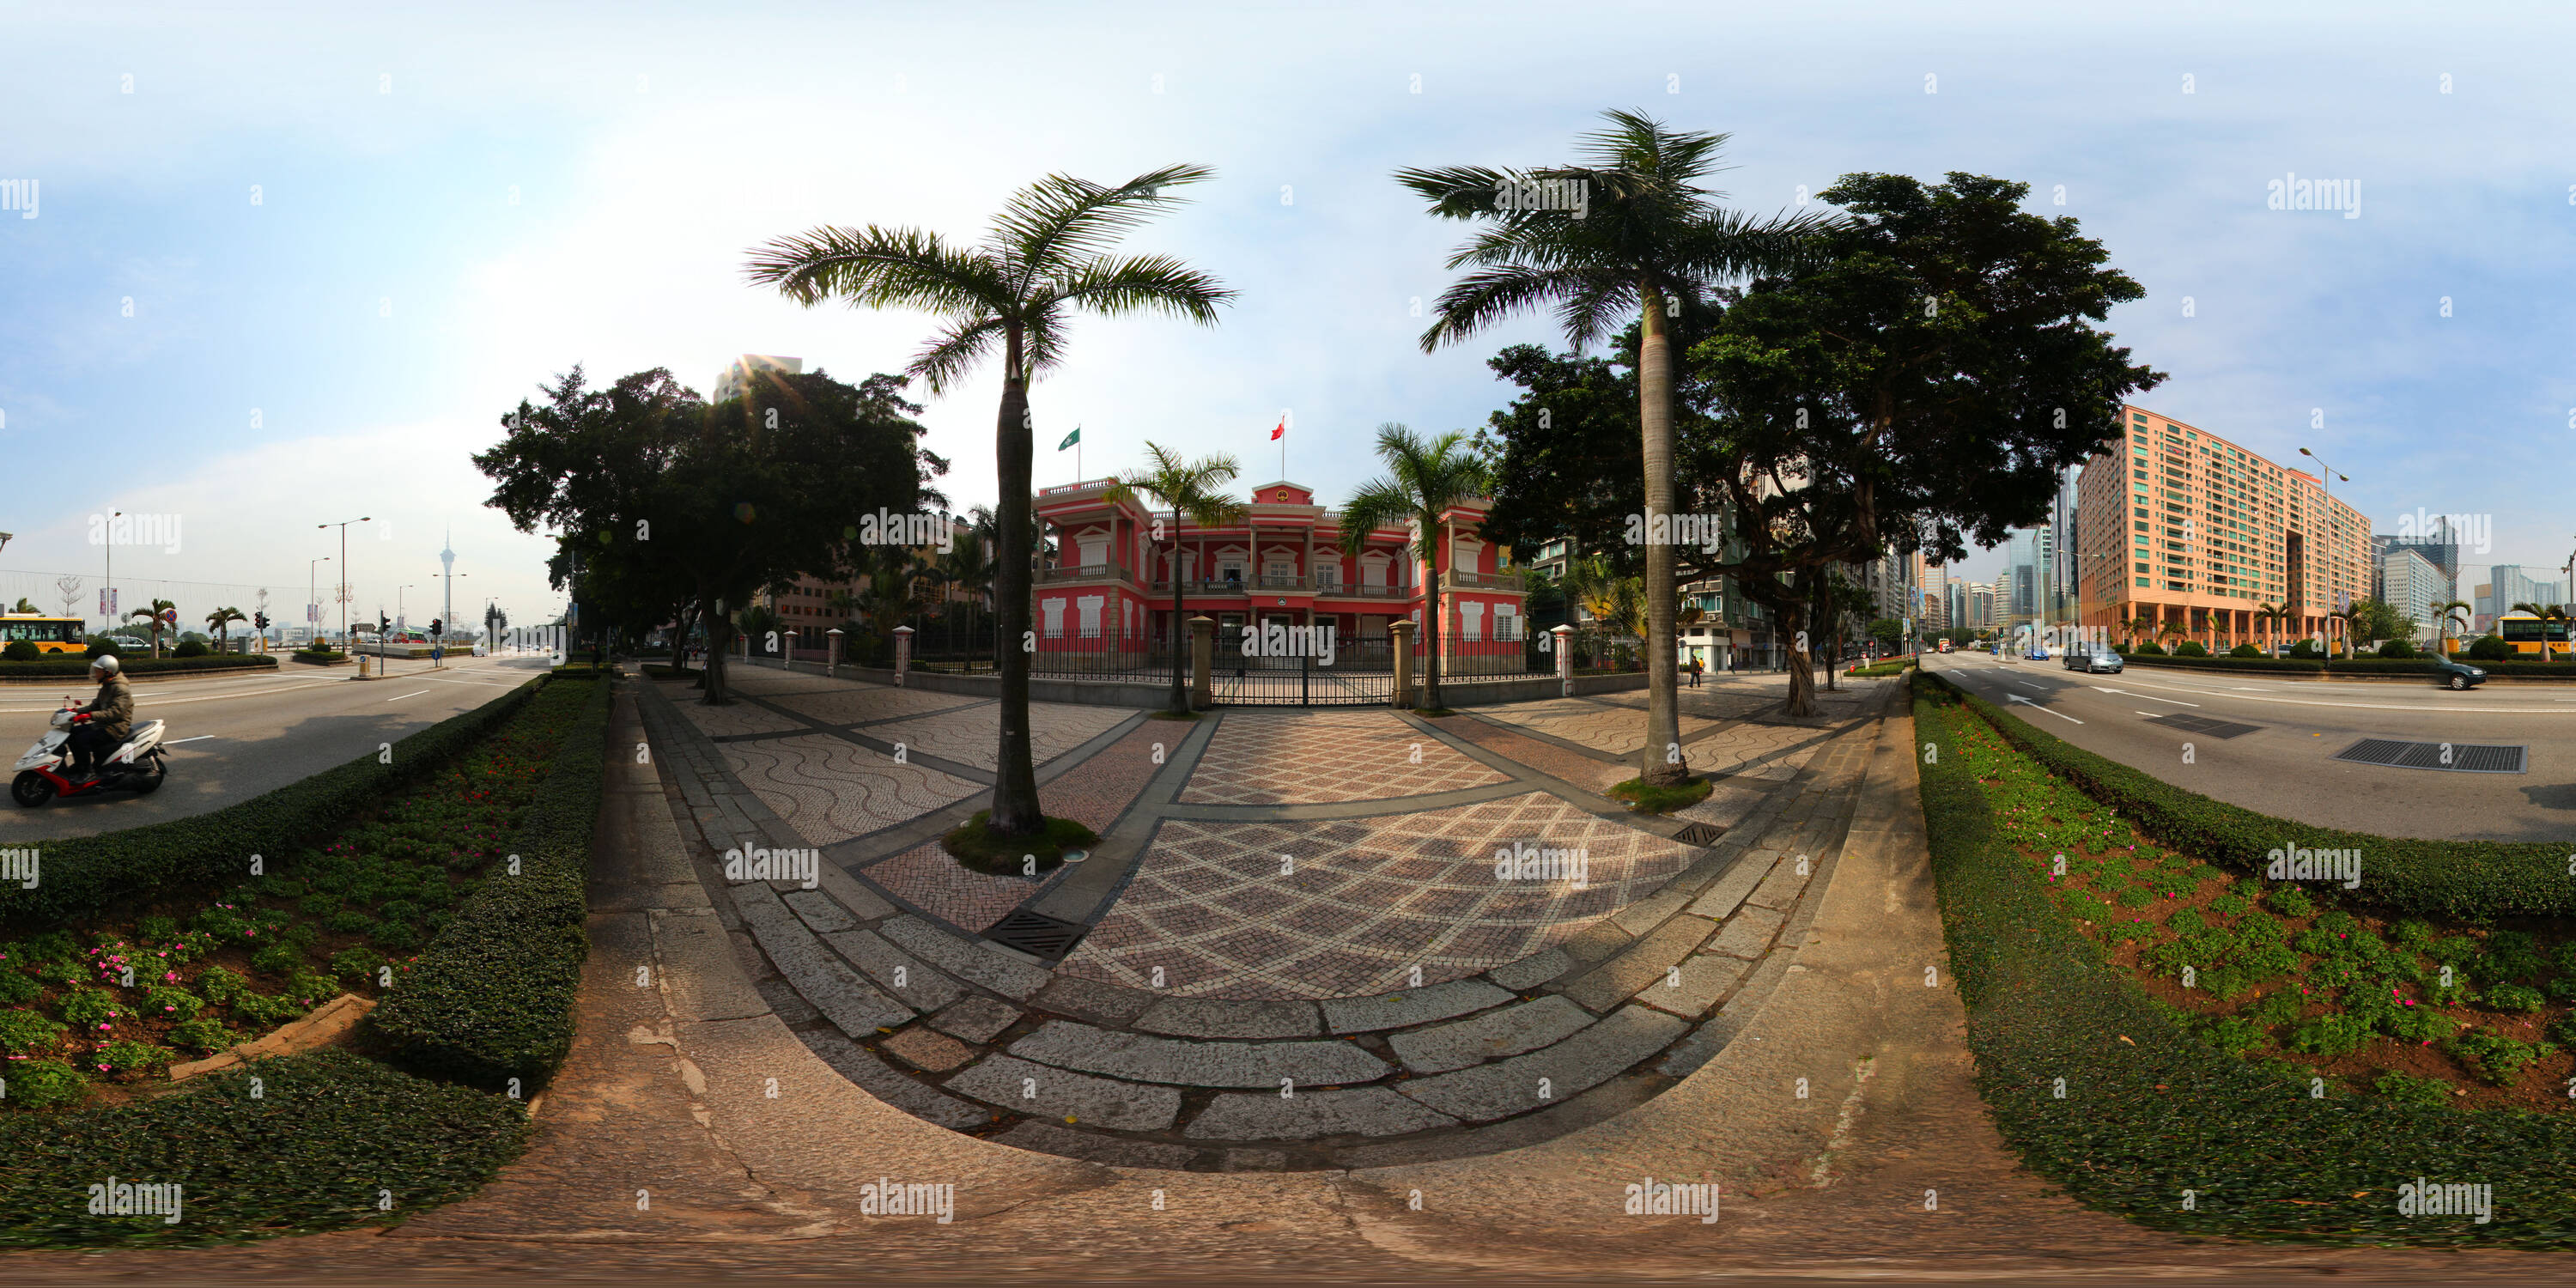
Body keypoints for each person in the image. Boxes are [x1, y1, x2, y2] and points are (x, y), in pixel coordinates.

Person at [65, 653, 134, 782]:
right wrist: (75, 711)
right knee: (72, 733)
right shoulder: (107, 685)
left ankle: (88, 772)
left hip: (116, 728)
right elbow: (95, 705)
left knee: (81, 740)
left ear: (108, 672)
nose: (96, 673)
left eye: (98, 671)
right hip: (104, 724)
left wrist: (90, 716)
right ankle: (81, 765)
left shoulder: (120, 688)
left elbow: (115, 712)